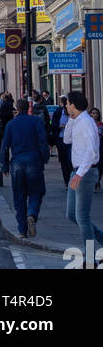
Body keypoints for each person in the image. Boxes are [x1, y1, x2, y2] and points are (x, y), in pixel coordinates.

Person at [0, 97, 49, 238]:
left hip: (17, 163)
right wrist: (44, 158)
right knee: (37, 191)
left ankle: (22, 230)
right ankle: (32, 214)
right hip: (34, 160)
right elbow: (43, 142)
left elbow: (4, 146)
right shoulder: (36, 121)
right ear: (28, 108)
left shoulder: (11, 124)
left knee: (19, 195)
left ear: (17, 108)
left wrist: (4, 166)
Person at [63, 89, 103, 259]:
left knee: (82, 217)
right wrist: (71, 121)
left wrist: (80, 174)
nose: (65, 106)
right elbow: (66, 140)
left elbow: (92, 151)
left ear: (73, 105)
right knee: (72, 215)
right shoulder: (78, 120)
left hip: (85, 173)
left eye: (67, 104)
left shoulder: (87, 122)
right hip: (77, 172)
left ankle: (90, 258)